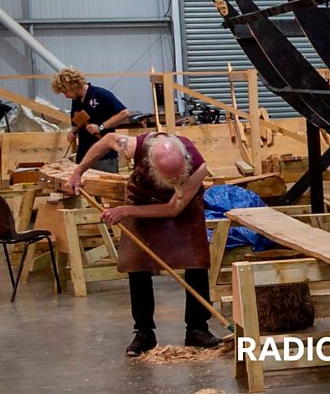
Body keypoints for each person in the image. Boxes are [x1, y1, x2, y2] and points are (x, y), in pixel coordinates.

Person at [65, 131, 220, 356]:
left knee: (196, 259)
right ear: (151, 165)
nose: (176, 180)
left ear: (185, 160)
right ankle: (144, 332)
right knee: (136, 263)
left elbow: (173, 209)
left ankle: (197, 328)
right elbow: (107, 139)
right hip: (142, 199)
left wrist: (125, 211)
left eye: (179, 175)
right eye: (170, 177)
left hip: (181, 205)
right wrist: (78, 172)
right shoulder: (134, 146)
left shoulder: (197, 167)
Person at [51, 67, 129, 173]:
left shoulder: (101, 94)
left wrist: (101, 127)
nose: (65, 96)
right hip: (84, 156)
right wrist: (73, 132)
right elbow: (76, 122)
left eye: (65, 92)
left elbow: (124, 113)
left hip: (104, 157)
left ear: (73, 86)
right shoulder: (76, 101)